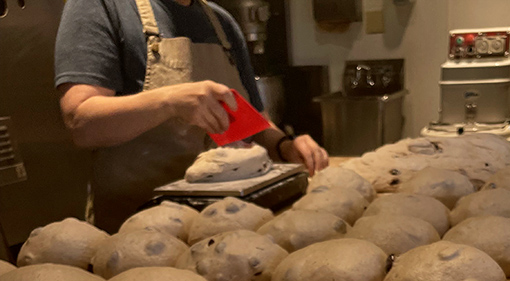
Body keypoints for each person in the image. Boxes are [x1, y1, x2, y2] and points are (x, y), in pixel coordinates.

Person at [54, 0, 329, 232]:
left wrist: (285, 145)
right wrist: (169, 101)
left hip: (225, 226)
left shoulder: (221, 23)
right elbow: (82, 122)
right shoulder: (101, 6)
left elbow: (250, 118)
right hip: (137, 230)